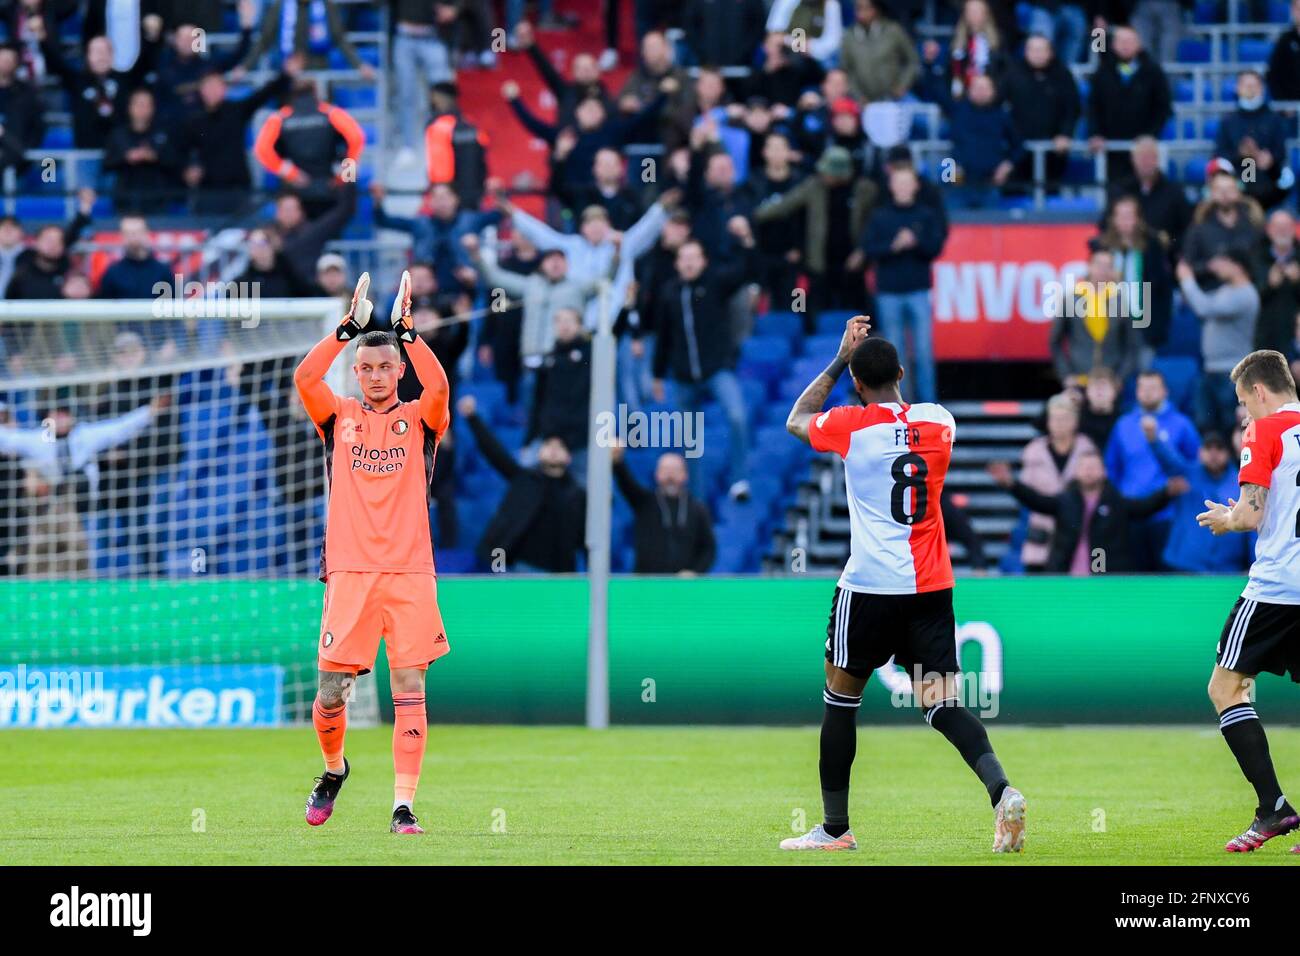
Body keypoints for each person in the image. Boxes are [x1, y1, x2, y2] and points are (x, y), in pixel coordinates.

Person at [783, 317, 1025, 853]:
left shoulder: (849, 424)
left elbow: (797, 418)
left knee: (840, 703)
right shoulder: (940, 421)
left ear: (856, 383)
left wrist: (839, 357)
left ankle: (834, 829)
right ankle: (1001, 789)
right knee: (941, 704)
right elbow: (906, 420)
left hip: (868, 587)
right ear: (900, 372)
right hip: (930, 588)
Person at [294, 273, 451, 837]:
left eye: (387, 366)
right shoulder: (339, 418)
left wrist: (409, 334)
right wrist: (346, 331)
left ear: (399, 371)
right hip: (350, 573)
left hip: (410, 572)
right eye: (367, 367)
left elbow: (440, 390)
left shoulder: (419, 421)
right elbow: (305, 375)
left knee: (409, 688)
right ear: (355, 374)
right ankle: (334, 769)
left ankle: (403, 806)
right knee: (331, 693)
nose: (378, 375)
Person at [1194, 349, 1300, 853]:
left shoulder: (1264, 431)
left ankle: (1273, 808)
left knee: (1226, 687)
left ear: (1260, 391)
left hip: (1278, 589)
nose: (1243, 413)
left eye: (1243, 401)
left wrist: (1226, 519)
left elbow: (1252, 515)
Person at [652, 226, 759, 502]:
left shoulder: (715, 283)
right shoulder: (670, 292)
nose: (688, 263)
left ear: (703, 261)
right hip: (684, 377)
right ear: (677, 263)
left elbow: (744, 271)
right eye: (683, 257)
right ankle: (697, 501)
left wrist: (745, 242)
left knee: (737, 416)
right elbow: (664, 335)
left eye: (694, 257)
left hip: (717, 369)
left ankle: (739, 479)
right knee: (690, 442)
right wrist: (656, 374)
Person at [986, 448, 1186, 573]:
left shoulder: (1115, 502)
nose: (1089, 471)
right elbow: (1037, 501)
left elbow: (1144, 508)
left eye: (1094, 466)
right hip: (1067, 576)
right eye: (1085, 467)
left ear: (1104, 471)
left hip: (1105, 576)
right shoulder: (1066, 500)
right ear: (1077, 472)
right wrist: (1011, 484)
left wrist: (1166, 493)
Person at [457, 395, 586, 572]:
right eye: (549, 445)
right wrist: (473, 418)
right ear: (539, 452)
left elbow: (584, 537)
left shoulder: (577, 494)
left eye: (561, 447)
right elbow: (495, 452)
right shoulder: (524, 479)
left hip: (556, 577)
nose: (554, 450)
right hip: (514, 567)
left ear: (569, 457)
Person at [858, 165, 946, 403]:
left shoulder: (926, 215)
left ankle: (928, 405)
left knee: (924, 353)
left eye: (908, 182)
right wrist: (893, 246)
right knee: (894, 357)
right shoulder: (880, 216)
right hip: (889, 292)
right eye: (900, 182)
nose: (904, 187)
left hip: (918, 289)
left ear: (916, 186)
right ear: (891, 186)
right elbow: (868, 249)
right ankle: (900, 406)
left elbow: (936, 248)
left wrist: (915, 242)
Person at [1103, 368, 1200, 570]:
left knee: (1166, 579)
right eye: (1142, 388)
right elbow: (1112, 468)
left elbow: (1195, 466)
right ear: (1136, 392)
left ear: (1165, 391)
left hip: (1168, 515)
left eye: (1153, 388)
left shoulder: (1182, 424)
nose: (1147, 393)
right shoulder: (1123, 424)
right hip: (1131, 513)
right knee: (1133, 580)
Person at [1176, 251, 1261, 436]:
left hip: (1231, 372)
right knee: (1208, 429)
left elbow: (1204, 307)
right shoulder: (1226, 290)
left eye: (1224, 262)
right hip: (1211, 370)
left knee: (1230, 428)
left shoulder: (1246, 294)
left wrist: (1187, 279)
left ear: (1238, 266)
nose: (1219, 267)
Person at [1016, 393, 1098, 573]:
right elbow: (1026, 490)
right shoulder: (1034, 450)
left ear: (1075, 421)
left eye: (1065, 418)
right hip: (1042, 529)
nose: (1060, 423)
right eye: (1055, 418)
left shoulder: (1087, 448)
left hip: (1078, 530)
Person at [1086, 26, 1172, 182]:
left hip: (1143, 148)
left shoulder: (1153, 72)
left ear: (1139, 44)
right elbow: (1093, 106)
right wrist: (1095, 133)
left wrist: (1149, 136)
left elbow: (1163, 108)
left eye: (1130, 40)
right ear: (1112, 45)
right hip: (1111, 150)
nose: (1125, 45)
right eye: (1121, 41)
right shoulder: (1102, 72)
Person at [612, 445, 716, 574]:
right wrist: (617, 461)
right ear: (657, 474)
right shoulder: (644, 502)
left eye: (675, 470)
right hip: (646, 583)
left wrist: (695, 572)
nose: (670, 475)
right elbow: (625, 481)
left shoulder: (697, 509)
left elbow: (708, 548)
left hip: (683, 587)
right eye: (665, 470)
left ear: (685, 475)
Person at [1159, 431, 1252, 574]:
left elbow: (1251, 525)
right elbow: (1167, 459)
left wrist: (1253, 563)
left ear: (1228, 453)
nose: (1214, 453)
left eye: (1219, 448)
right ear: (1199, 452)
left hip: (1228, 570)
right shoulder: (1186, 474)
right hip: (1184, 566)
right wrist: (1153, 437)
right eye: (1208, 448)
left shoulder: (1242, 482)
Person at [1096, 195, 1173, 364]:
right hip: (1109, 327)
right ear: (1113, 219)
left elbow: (1163, 290)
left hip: (1142, 327)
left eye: (1129, 216)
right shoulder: (1102, 248)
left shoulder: (1152, 248)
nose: (1125, 221)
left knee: (1142, 375)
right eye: (1120, 216)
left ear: (1138, 219)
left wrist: (1158, 329)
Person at [1050, 246, 1140, 388]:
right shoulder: (1071, 299)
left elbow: (1132, 345)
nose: (1103, 270)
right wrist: (1065, 375)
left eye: (1108, 266)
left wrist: (1120, 377)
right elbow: (1055, 341)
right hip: (1079, 379)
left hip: (1110, 383)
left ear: (1113, 271)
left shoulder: (1122, 301)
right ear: (1089, 267)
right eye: (1099, 264)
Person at [1001, 34, 1080, 194]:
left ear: (1050, 52)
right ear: (1026, 52)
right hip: (1018, 150)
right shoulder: (1012, 74)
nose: (1037, 54)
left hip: (1054, 150)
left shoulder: (1063, 75)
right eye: (1033, 49)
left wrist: (1065, 134)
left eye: (1041, 49)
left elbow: (1072, 109)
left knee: (1051, 194)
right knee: (1013, 195)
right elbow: (997, 107)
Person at [1105, 137, 1193, 265]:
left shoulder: (1174, 192)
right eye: (1141, 156)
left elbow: (1187, 230)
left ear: (1158, 160)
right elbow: (1106, 224)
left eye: (1150, 157)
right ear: (1132, 159)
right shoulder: (1119, 190)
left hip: (1165, 260)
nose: (1146, 162)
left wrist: (1171, 244)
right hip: (1123, 256)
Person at [1214, 70, 1293, 211]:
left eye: (1254, 85)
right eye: (1246, 84)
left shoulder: (1274, 120)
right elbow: (1219, 156)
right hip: (1236, 188)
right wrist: (1240, 155)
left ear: (1262, 88)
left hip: (1270, 189)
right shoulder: (1228, 121)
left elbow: (1281, 154)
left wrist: (1270, 160)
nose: (1250, 88)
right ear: (1237, 89)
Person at [1181, 170, 1266, 291]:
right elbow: (1187, 266)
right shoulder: (1199, 227)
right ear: (1211, 193)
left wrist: (1242, 271)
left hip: (1251, 293)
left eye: (1230, 189)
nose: (1224, 194)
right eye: (1219, 189)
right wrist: (1210, 266)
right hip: (1212, 294)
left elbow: (1263, 261)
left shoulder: (1253, 224)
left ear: (1238, 192)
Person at [840, 0, 919, 102]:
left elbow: (912, 60)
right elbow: (846, 70)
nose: (861, 13)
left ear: (875, 9)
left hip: (895, 97)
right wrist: (858, 96)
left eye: (865, 8)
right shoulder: (849, 36)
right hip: (862, 101)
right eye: (858, 8)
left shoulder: (893, 31)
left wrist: (902, 85)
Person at [1258, 210, 1300, 355]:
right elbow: (1247, 299)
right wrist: (1269, 285)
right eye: (1277, 226)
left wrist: (1297, 282)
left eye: (1286, 226)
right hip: (1265, 340)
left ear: (1294, 229)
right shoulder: (1255, 256)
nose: (1282, 231)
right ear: (1269, 230)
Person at [1266, 0, 1300, 102]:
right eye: (1298, 9)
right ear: (1293, 11)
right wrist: (1283, 104)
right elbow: (1274, 75)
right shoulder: (1285, 40)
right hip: (1291, 107)